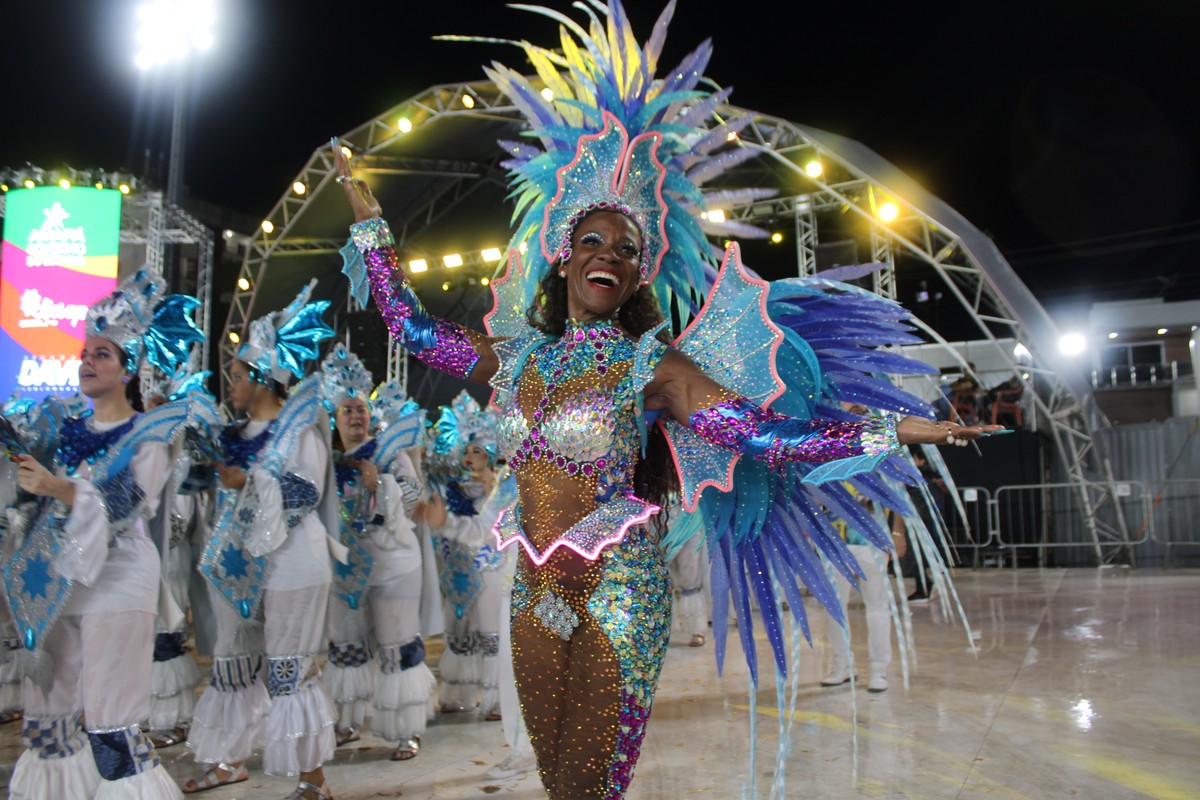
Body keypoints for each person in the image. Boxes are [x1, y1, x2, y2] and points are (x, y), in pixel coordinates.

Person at [333, 6, 999, 797]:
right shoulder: (515, 359)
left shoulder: (657, 368)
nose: (608, 255)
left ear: (637, 275)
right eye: (593, 241)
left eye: (625, 249)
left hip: (621, 589)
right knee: (559, 783)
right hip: (536, 591)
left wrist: (895, 429)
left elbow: (771, 439)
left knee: (589, 784)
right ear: (564, 258)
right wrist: (373, 229)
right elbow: (409, 327)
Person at [6, 270, 204, 799]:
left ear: (128, 369)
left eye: (102, 354)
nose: (87, 362)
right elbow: (31, 497)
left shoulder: (152, 433)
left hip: (119, 581)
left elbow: (123, 501)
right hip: (60, 584)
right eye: (85, 353)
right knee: (52, 720)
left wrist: (57, 486)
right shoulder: (63, 429)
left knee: (109, 722)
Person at [184, 282, 339, 800]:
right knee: (233, 664)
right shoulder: (232, 433)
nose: (230, 382)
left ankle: (312, 781)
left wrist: (246, 481)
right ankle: (228, 761)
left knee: (287, 669)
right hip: (237, 563)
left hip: (293, 562)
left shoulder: (301, 429)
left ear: (263, 379)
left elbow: (304, 492)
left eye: (236, 374)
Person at [319, 347, 438, 761]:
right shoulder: (327, 460)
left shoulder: (390, 451)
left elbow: (411, 495)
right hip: (347, 567)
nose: (356, 416)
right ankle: (347, 721)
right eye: (347, 410)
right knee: (347, 643)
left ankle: (406, 731)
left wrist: (379, 483)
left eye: (361, 410)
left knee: (396, 643)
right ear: (334, 418)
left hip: (394, 564)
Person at [424, 392, 511, 722]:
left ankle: (497, 700)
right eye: (468, 451)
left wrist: (490, 491)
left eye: (479, 452)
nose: (471, 458)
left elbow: (490, 529)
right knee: (460, 633)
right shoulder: (450, 489)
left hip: (490, 567)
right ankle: (459, 694)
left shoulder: (502, 487)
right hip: (457, 570)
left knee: (490, 635)